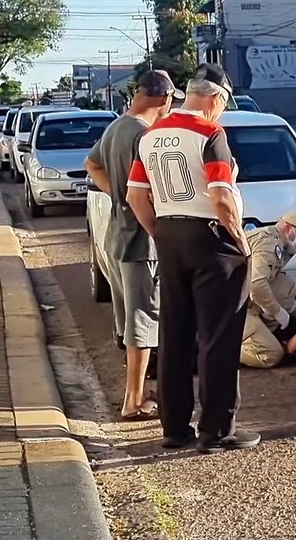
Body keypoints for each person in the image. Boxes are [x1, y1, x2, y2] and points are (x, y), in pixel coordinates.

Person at [126, 64, 259, 454]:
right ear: (216, 100)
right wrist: (240, 238)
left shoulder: (150, 136)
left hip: (169, 235)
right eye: (222, 105)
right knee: (218, 336)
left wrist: (160, 233)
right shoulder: (209, 133)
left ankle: (175, 427)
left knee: (175, 333)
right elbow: (220, 197)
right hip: (211, 239)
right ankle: (216, 430)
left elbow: (136, 197)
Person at [84, 70, 184, 421]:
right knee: (143, 323)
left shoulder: (116, 127)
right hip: (141, 243)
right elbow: (148, 192)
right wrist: (158, 228)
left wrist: (117, 193)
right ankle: (133, 401)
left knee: (130, 323)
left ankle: (137, 392)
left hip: (117, 237)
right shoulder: (145, 135)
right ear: (163, 99)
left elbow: (91, 163)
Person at [240, 209, 296, 369]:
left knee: (285, 286)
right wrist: (277, 312)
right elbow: (256, 285)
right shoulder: (268, 245)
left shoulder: (278, 244)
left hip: (243, 299)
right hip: (230, 306)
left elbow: (273, 288)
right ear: (288, 228)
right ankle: (223, 350)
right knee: (271, 354)